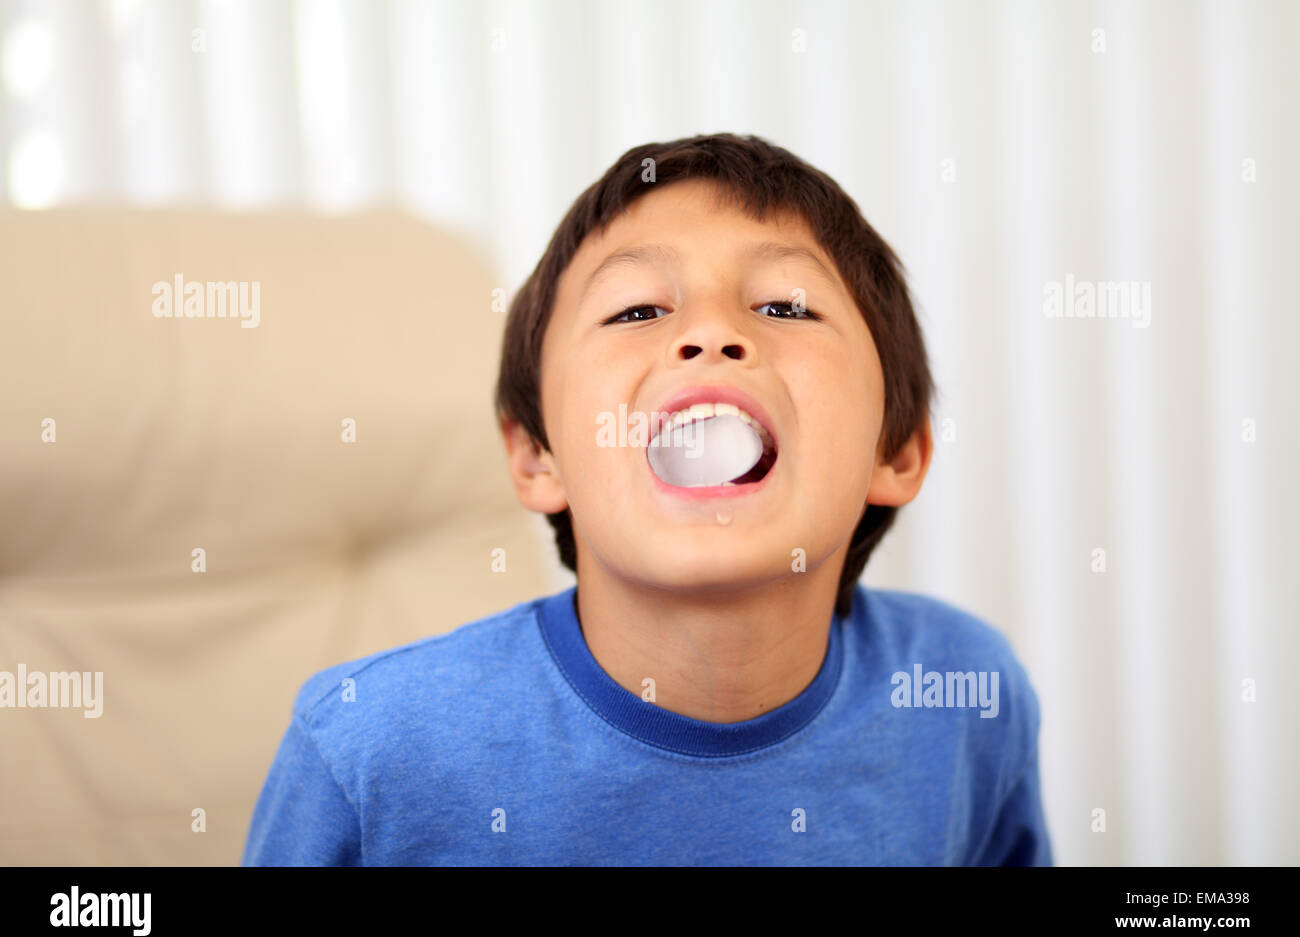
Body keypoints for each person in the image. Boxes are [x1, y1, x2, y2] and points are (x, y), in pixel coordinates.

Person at [242, 133, 1052, 866]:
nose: (710, 335)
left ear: (897, 450)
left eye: (783, 306)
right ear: (535, 454)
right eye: (637, 310)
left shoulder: (964, 691)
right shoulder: (370, 748)